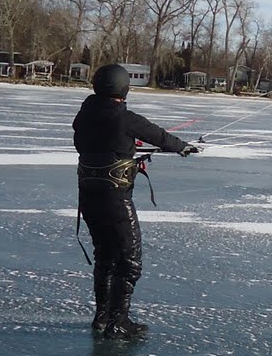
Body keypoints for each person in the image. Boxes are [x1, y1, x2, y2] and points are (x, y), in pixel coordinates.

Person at [73, 63, 197, 337]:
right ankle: (119, 322)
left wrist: (129, 152)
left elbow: (100, 147)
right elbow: (160, 136)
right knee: (129, 261)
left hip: (89, 197)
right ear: (124, 89)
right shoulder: (125, 118)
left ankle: (102, 318)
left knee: (105, 256)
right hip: (115, 200)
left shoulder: (82, 117)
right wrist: (183, 147)